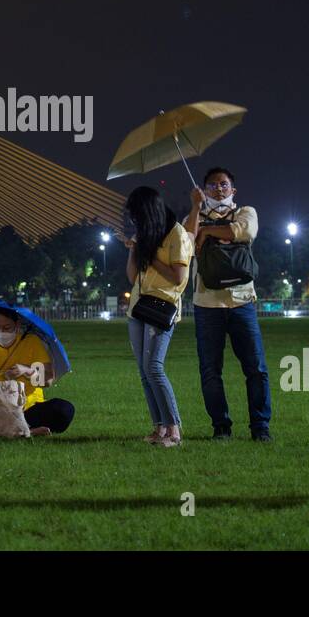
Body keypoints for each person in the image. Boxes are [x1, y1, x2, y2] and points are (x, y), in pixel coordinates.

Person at [184, 166, 270, 441]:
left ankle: (260, 427)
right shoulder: (193, 217)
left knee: (256, 368)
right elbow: (186, 244)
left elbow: (242, 231)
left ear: (233, 190)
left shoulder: (247, 211)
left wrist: (206, 234)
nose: (218, 189)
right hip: (207, 303)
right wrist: (196, 210)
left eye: (223, 185)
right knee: (210, 370)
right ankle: (221, 426)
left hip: (242, 301)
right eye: (211, 185)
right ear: (204, 190)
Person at [120, 186, 194, 448]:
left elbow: (179, 278)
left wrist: (150, 256)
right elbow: (132, 277)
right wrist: (133, 249)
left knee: (154, 367)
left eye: (138, 216)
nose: (135, 222)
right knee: (144, 371)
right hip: (138, 308)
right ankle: (159, 427)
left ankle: (174, 429)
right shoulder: (146, 233)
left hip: (161, 307)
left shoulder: (177, 234)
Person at [0, 308, 75, 435]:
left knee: (63, 410)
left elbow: (47, 381)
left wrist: (27, 371)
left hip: (28, 408)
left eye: (7, 328)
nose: (1, 332)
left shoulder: (32, 343)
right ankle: (27, 430)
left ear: (17, 325)